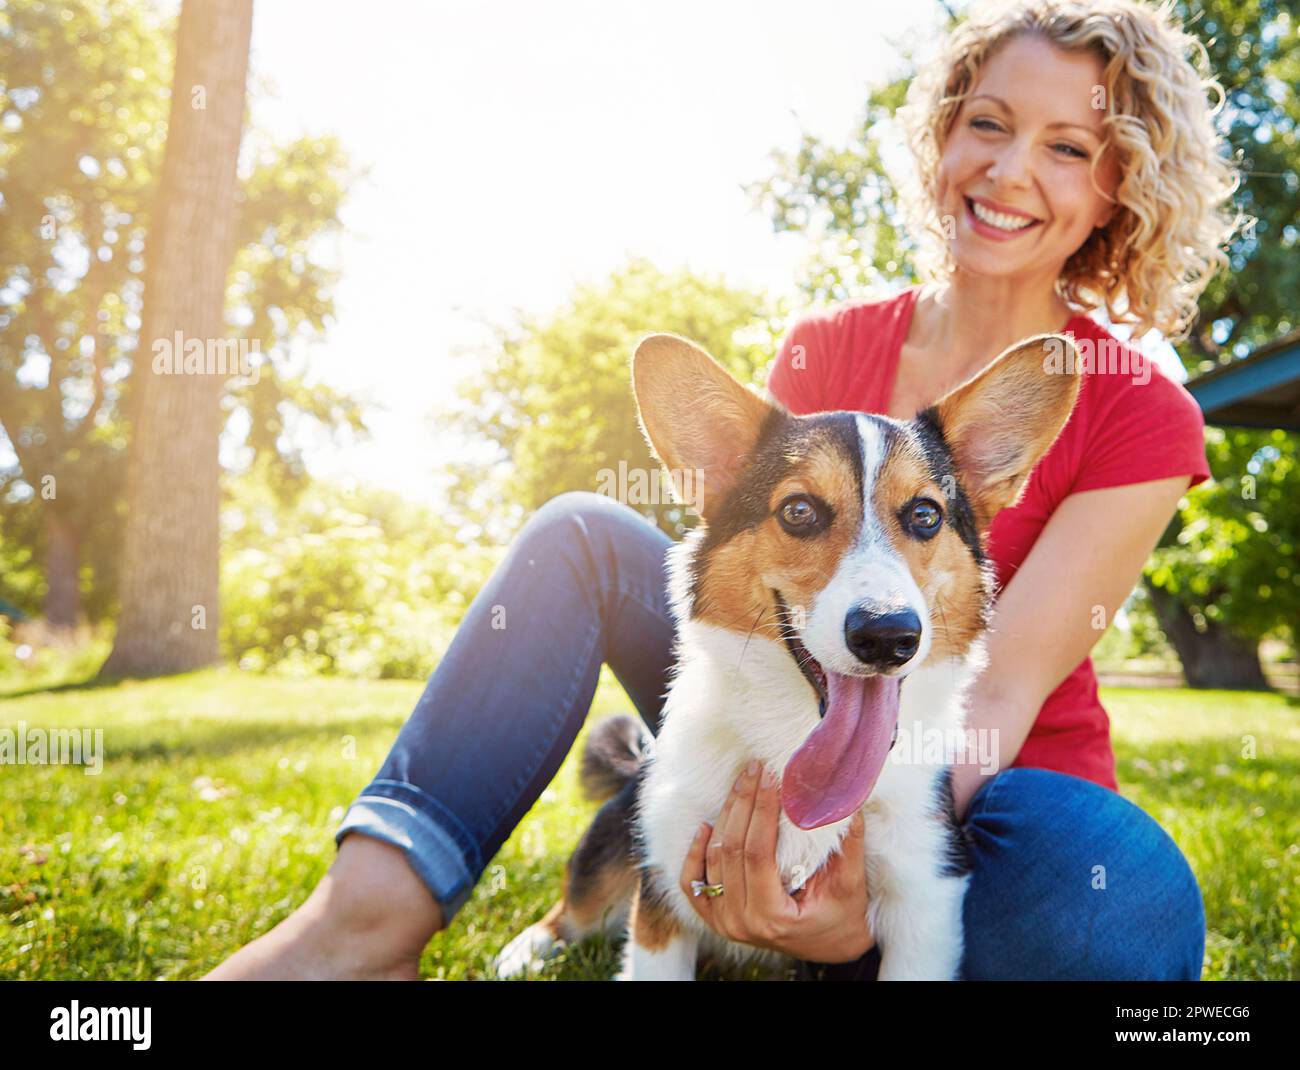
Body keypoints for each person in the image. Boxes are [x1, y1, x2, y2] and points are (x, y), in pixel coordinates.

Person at [206, 0, 1242, 981]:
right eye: (987, 123)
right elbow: (738, 576)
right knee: (580, 533)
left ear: (1121, 187)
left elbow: (999, 693)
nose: (1011, 169)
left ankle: (853, 929)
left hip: (975, 777)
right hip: (772, 696)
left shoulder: (1140, 409)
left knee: (1121, 915)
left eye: (1067, 146)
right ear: (940, 135)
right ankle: (367, 918)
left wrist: (848, 845)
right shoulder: (827, 344)